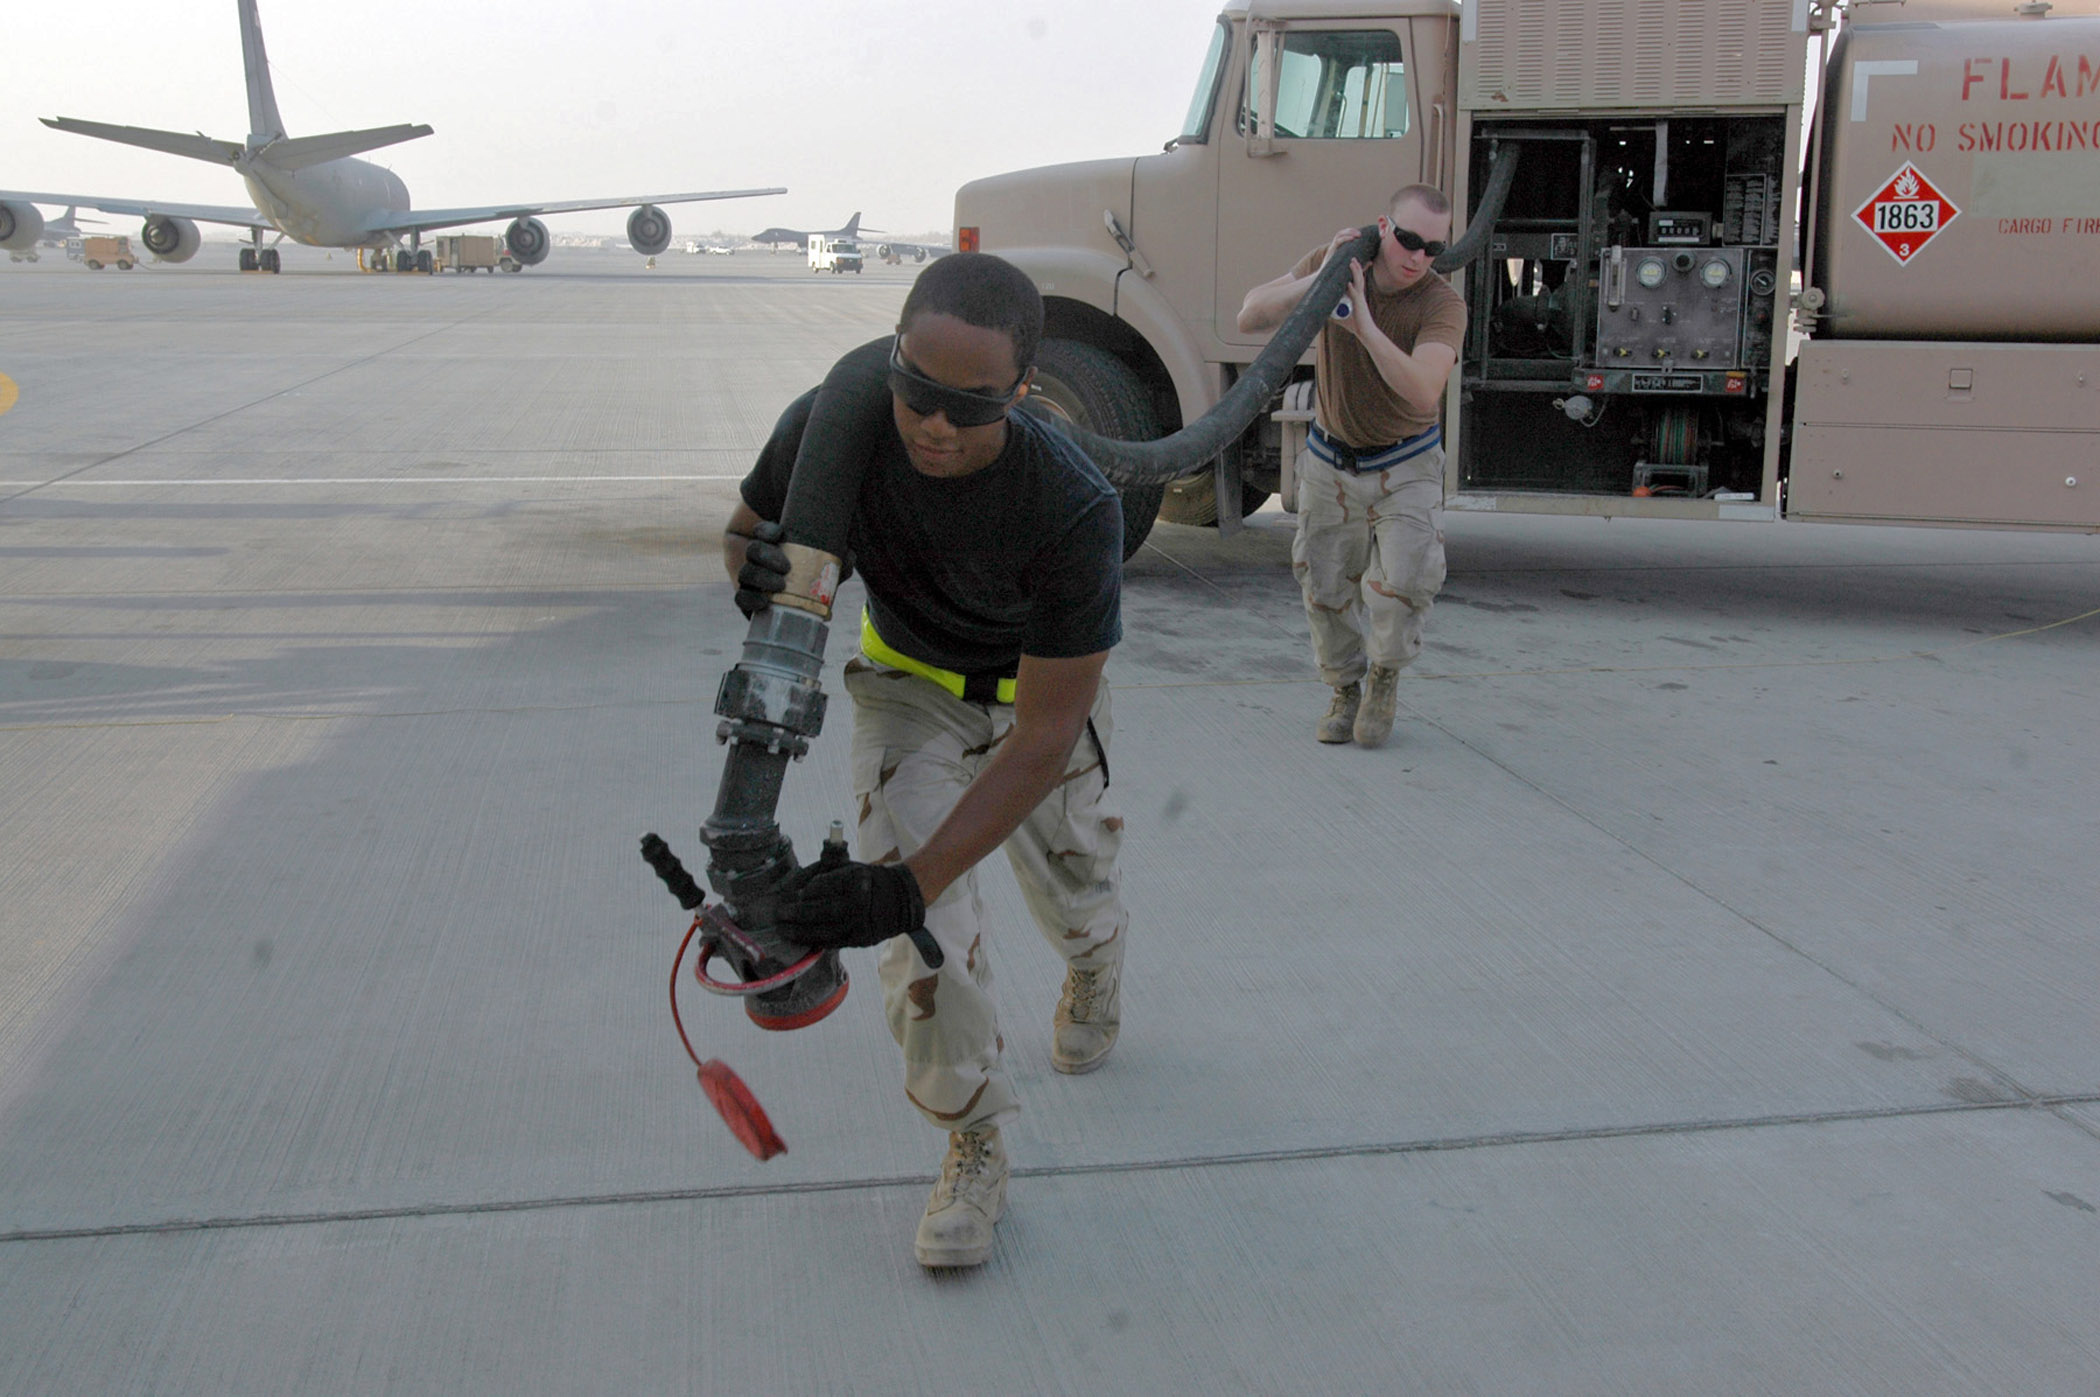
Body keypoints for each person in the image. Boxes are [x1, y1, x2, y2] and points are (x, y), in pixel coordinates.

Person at [721, 253, 1128, 1270]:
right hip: (907, 688)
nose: (935, 426)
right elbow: (743, 534)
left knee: (1074, 887)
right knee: (924, 940)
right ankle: (971, 1136)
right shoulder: (832, 425)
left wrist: (906, 883)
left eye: (970, 405)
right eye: (916, 390)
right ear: (894, 356)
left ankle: (1094, 961)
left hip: (1031, 704)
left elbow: (1045, 737)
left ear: (1021, 391)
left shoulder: (1073, 504)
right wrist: (751, 564)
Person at [1236, 185, 1466, 749]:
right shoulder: (1338, 262)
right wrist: (1320, 279)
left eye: (1433, 248)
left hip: (1406, 462)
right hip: (1331, 457)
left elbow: (1423, 389)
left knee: (1403, 585)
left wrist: (1363, 324)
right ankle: (1344, 687)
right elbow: (1250, 315)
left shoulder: (1441, 304)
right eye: (1407, 240)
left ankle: (1384, 675)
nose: (1417, 257)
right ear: (1383, 226)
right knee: (1324, 584)